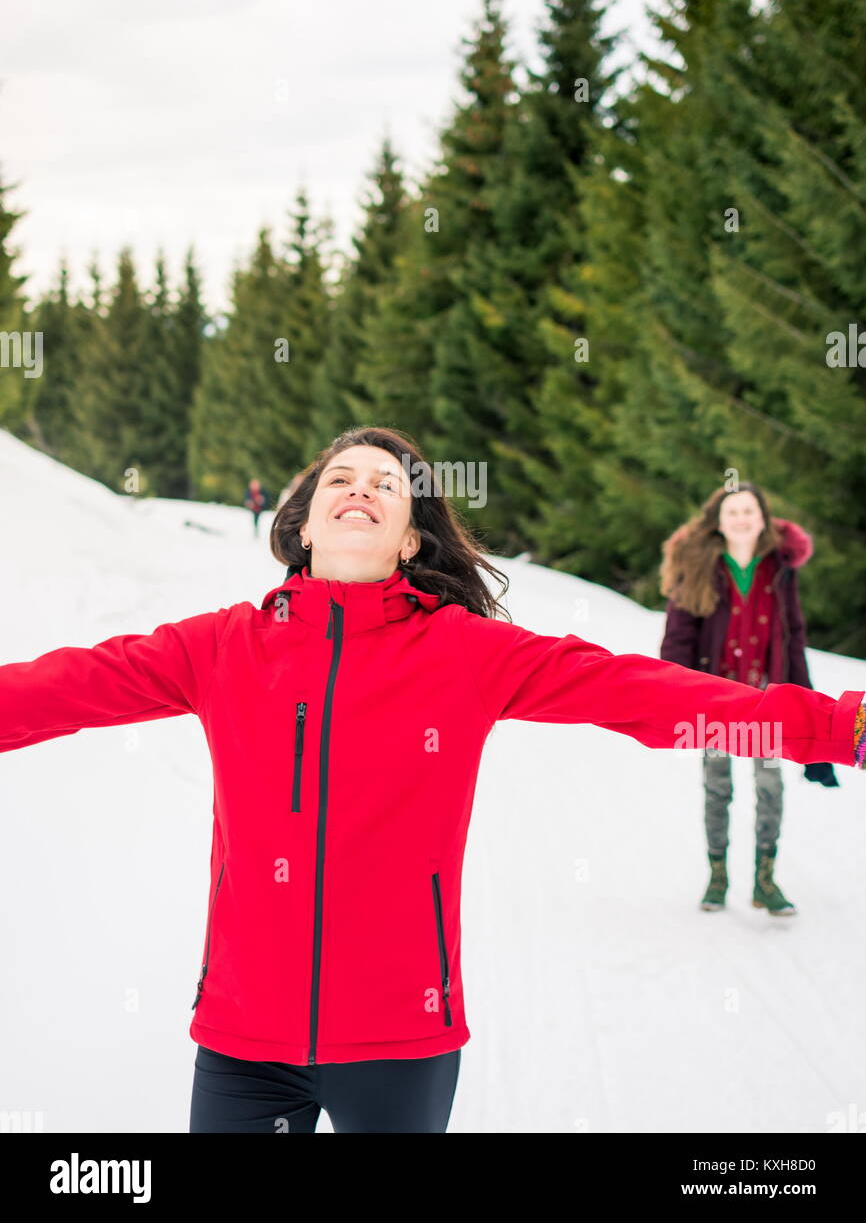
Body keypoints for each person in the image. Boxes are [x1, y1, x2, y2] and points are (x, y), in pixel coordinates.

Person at [0, 429, 864, 1134]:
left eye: (387, 484)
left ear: (410, 539)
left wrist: (833, 726)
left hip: (400, 1042)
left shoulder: (465, 654)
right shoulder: (223, 646)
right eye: (342, 476)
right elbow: (66, 686)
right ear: (302, 524)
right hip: (243, 1038)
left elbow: (643, 698)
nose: (362, 489)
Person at [659, 481, 839, 917]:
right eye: (733, 512)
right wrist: (672, 691)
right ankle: (717, 875)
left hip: (769, 700)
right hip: (714, 700)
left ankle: (765, 878)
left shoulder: (780, 566)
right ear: (719, 521)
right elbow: (679, 634)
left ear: (763, 519)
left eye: (749, 512)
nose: (742, 519)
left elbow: (793, 635)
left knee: (769, 785)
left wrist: (806, 701)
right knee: (717, 785)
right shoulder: (698, 564)